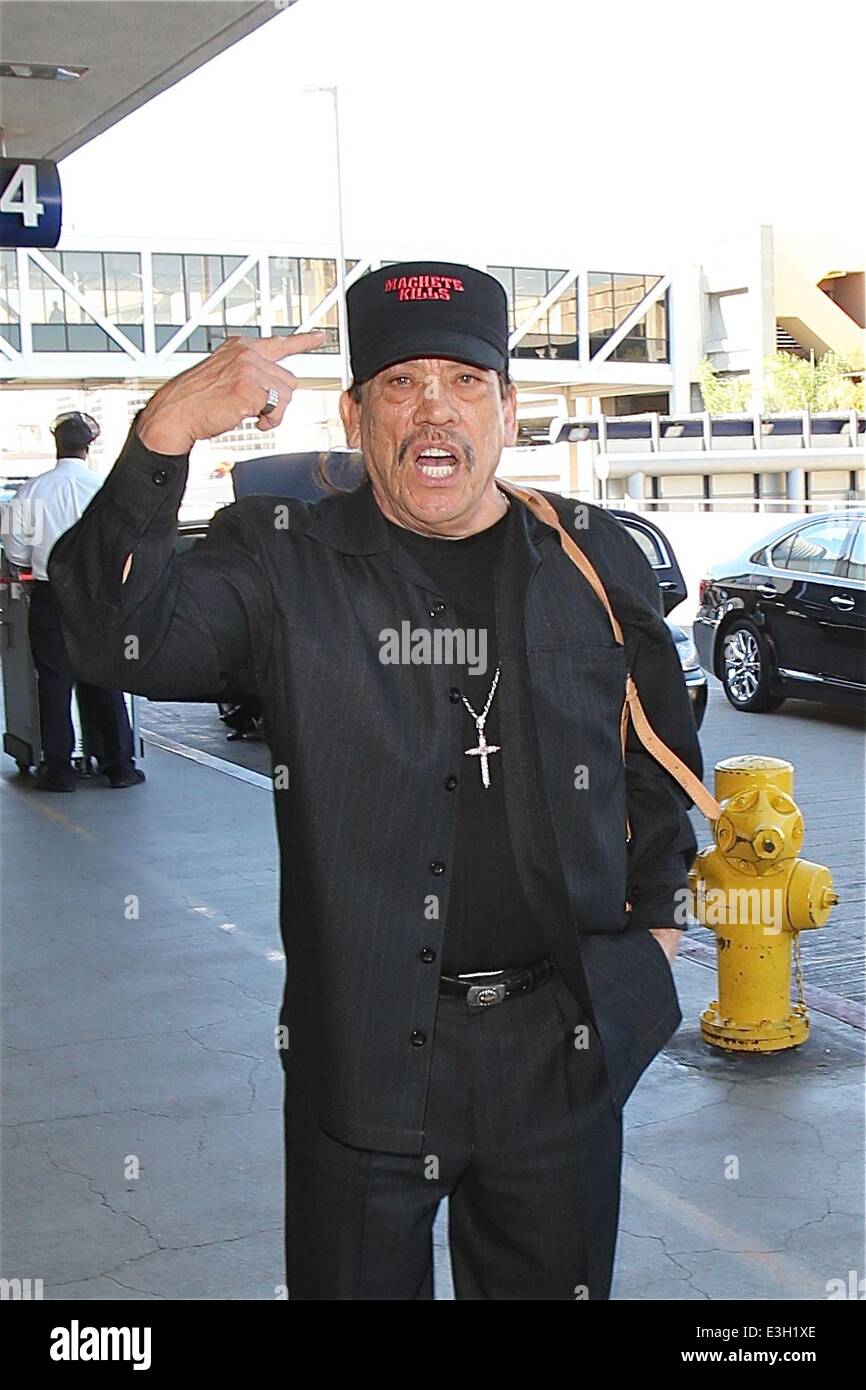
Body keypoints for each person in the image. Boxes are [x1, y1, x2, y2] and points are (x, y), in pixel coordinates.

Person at [47, 263, 704, 1300]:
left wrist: (649, 959)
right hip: (362, 1055)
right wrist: (164, 430)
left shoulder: (589, 557)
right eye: (399, 384)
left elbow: (660, 768)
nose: (432, 406)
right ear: (356, 417)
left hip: (563, 1044)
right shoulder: (280, 563)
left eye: (464, 380)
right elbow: (106, 639)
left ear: (508, 410)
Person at [1, 411, 145, 791]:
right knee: (105, 679)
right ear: (88, 446)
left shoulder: (30, 491)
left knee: (54, 683)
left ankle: (60, 771)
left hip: (50, 596)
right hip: (98, 596)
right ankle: (119, 766)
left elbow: (15, 552)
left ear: (56, 443)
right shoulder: (104, 489)